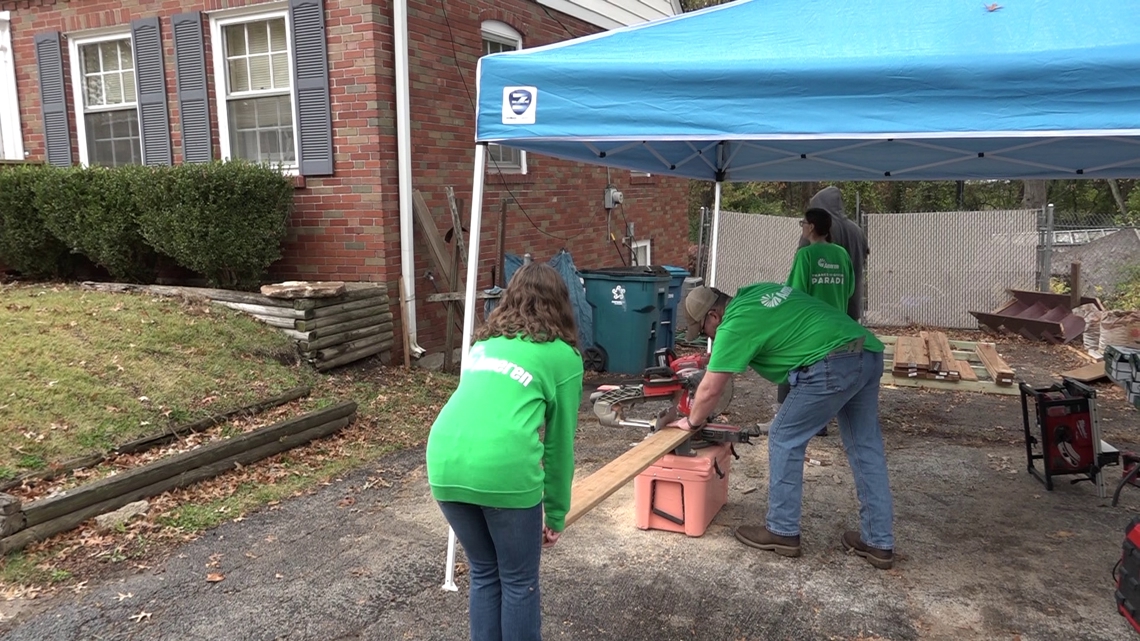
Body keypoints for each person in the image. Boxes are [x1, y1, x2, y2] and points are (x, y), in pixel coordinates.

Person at [677, 283, 895, 569]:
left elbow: (709, 391)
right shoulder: (754, 294)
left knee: (783, 437)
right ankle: (879, 542)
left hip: (829, 362)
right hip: (865, 351)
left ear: (714, 316)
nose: (709, 337)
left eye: (705, 331)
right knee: (865, 446)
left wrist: (692, 420)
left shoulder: (733, 325)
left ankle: (782, 531)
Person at [426, 262, 584, 641]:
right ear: (561, 305)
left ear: (510, 299)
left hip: (445, 461)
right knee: (518, 582)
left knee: (484, 572)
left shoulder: (484, 345)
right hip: (502, 468)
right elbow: (559, 446)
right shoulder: (563, 357)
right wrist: (557, 512)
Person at [786, 207, 855, 312]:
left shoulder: (805, 254)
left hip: (814, 322)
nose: (802, 227)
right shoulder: (842, 253)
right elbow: (850, 289)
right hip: (838, 319)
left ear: (811, 227)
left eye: (803, 223)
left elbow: (796, 290)